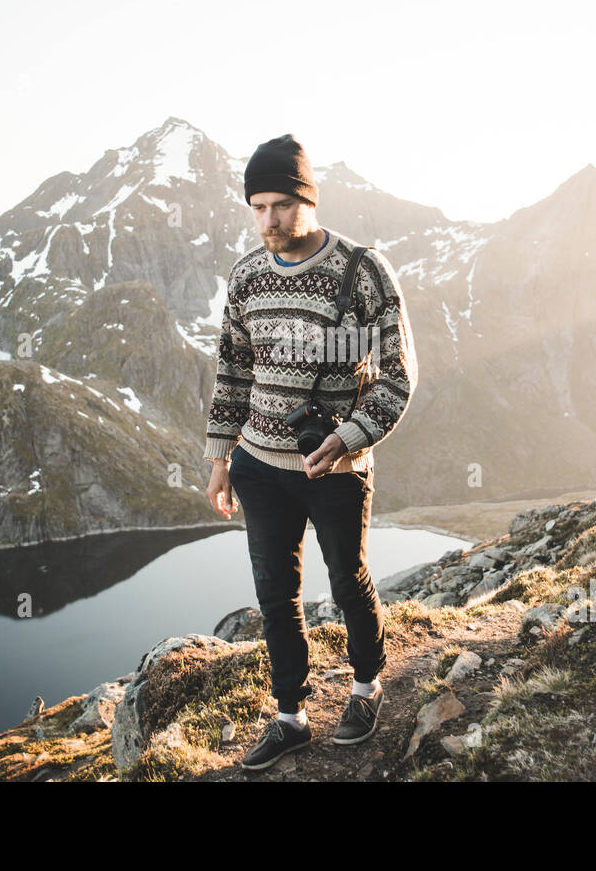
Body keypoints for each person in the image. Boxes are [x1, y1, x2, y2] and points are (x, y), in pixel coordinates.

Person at [203, 133, 419, 771]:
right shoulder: (245, 277)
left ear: (309, 201)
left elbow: (398, 375)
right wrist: (220, 459)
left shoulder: (362, 270)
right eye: (258, 207)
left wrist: (351, 437)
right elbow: (232, 374)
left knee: (348, 580)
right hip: (258, 468)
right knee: (275, 595)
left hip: (335, 470)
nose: (268, 220)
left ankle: (365, 687)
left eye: (281, 206)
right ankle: (291, 717)